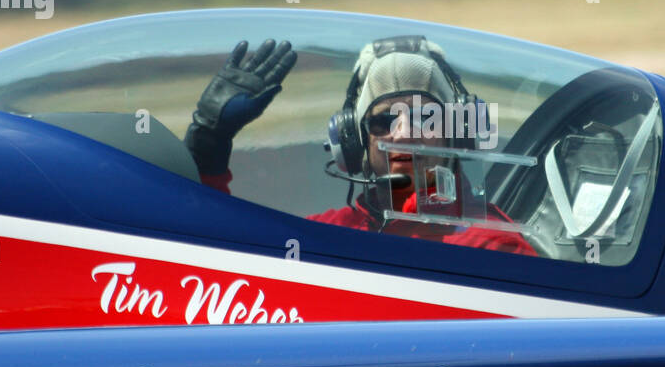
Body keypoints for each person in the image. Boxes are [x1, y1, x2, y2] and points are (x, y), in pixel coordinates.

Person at [185, 36, 535, 255]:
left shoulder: (491, 244)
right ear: (354, 141)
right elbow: (221, 254)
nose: (402, 134)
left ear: (456, 133)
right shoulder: (328, 237)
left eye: (424, 118)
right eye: (382, 122)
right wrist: (208, 144)